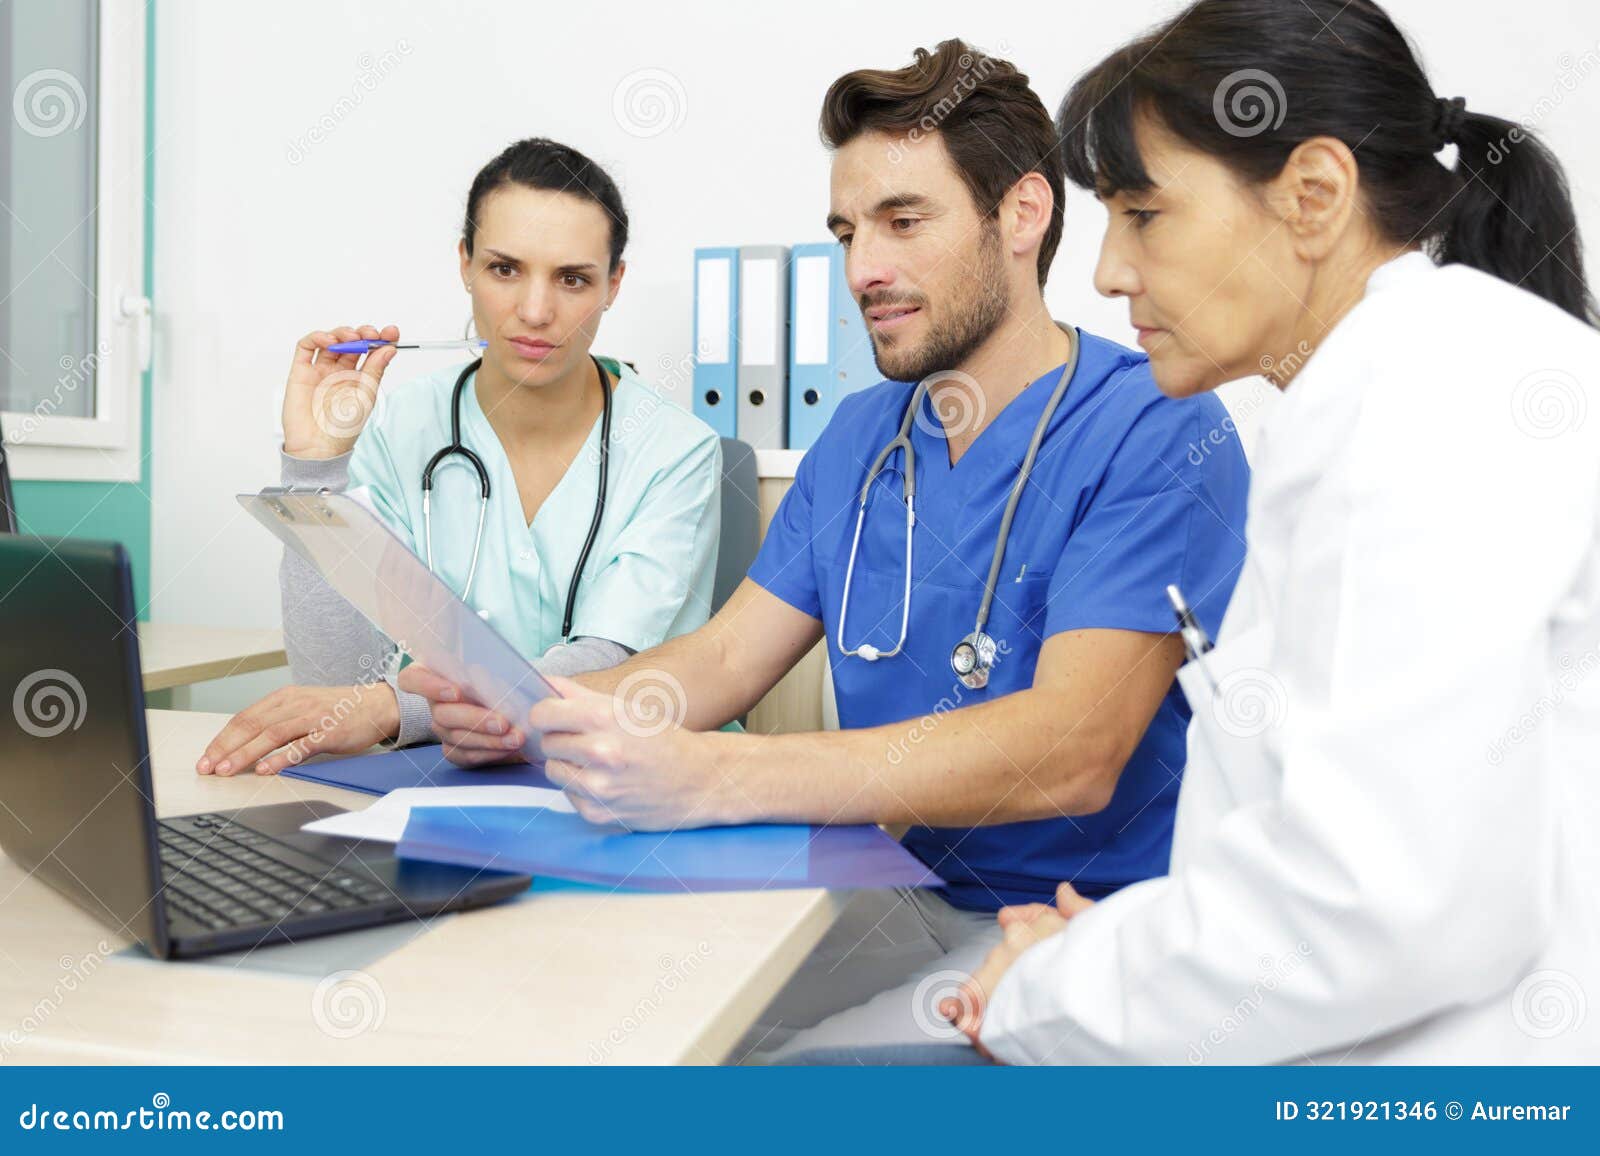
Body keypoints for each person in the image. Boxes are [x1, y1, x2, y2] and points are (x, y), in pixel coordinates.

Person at [399, 41, 1251, 1063]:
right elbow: (719, 661)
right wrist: (533, 709)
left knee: (742, 1077)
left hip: (1067, 923)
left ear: (1022, 215)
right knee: (581, 1015)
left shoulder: (1154, 427)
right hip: (890, 887)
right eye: (847, 231)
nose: (863, 271)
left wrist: (715, 775)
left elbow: (1071, 750)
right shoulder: (859, 438)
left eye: (903, 222)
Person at [948, 0, 1600, 1064]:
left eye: (1141, 213)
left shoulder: (1427, 404)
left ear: (1313, 198)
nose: (1108, 271)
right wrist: (1115, 945)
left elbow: (1383, 909)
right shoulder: (1395, 384)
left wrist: (1045, 989)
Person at [197, 138, 721, 778]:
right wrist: (316, 468)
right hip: (434, 780)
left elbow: (600, 669)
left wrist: (395, 709)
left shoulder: (675, 450)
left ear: (613, 285)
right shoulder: (398, 426)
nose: (535, 310)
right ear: (465, 265)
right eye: (505, 269)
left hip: (625, 782)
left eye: (573, 278)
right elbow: (335, 687)